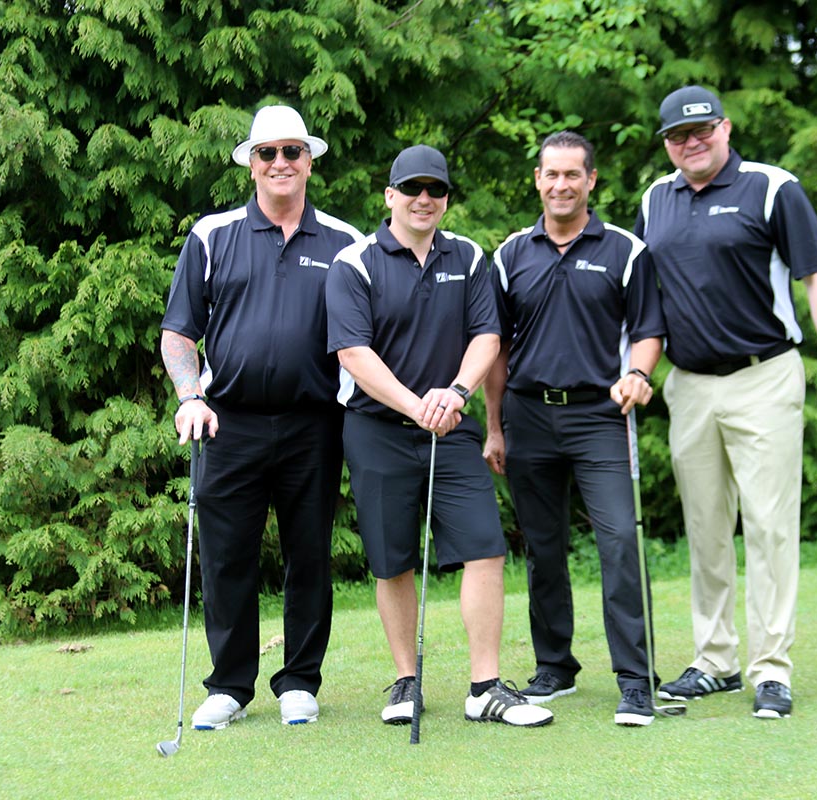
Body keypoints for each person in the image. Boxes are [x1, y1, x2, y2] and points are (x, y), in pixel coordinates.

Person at [635, 86, 817, 719]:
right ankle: (715, 661)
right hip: (689, 384)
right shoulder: (655, 199)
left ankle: (771, 668)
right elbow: (641, 296)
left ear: (726, 128)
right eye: (678, 136)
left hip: (765, 376)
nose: (692, 143)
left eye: (702, 130)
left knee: (768, 525)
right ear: (667, 144)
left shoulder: (771, 187)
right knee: (706, 527)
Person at [326, 144, 552, 729]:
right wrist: (415, 405)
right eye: (412, 189)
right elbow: (353, 353)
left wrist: (455, 392)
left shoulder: (469, 256)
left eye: (435, 190)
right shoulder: (355, 263)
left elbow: (487, 336)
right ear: (390, 196)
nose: (423, 199)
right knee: (391, 559)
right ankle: (407, 680)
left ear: (446, 199)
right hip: (376, 428)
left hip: (451, 428)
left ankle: (485, 687)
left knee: (485, 547)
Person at [160, 105, 362, 729]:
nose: (280, 163)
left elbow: (364, 339)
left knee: (310, 556)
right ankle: (229, 686)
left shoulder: (345, 242)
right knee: (227, 558)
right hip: (228, 421)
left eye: (292, 151)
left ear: (309, 162)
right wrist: (189, 396)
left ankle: (299, 681)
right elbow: (178, 333)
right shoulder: (212, 234)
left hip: (314, 423)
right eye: (267, 153)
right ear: (251, 164)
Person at [483, 131, 666, 726]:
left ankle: (635, 680)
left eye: (572, 175)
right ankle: (555, 666)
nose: (561, 185)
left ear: (591, 180)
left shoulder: (625, 250)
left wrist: (638, 373)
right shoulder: (511, 254)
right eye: (551, 174)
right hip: (528, 415)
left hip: (599, 417)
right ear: (537, 180)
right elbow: (495, 348)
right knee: (543, 548)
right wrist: (494, 427)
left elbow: (648, 330)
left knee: (619, 542)